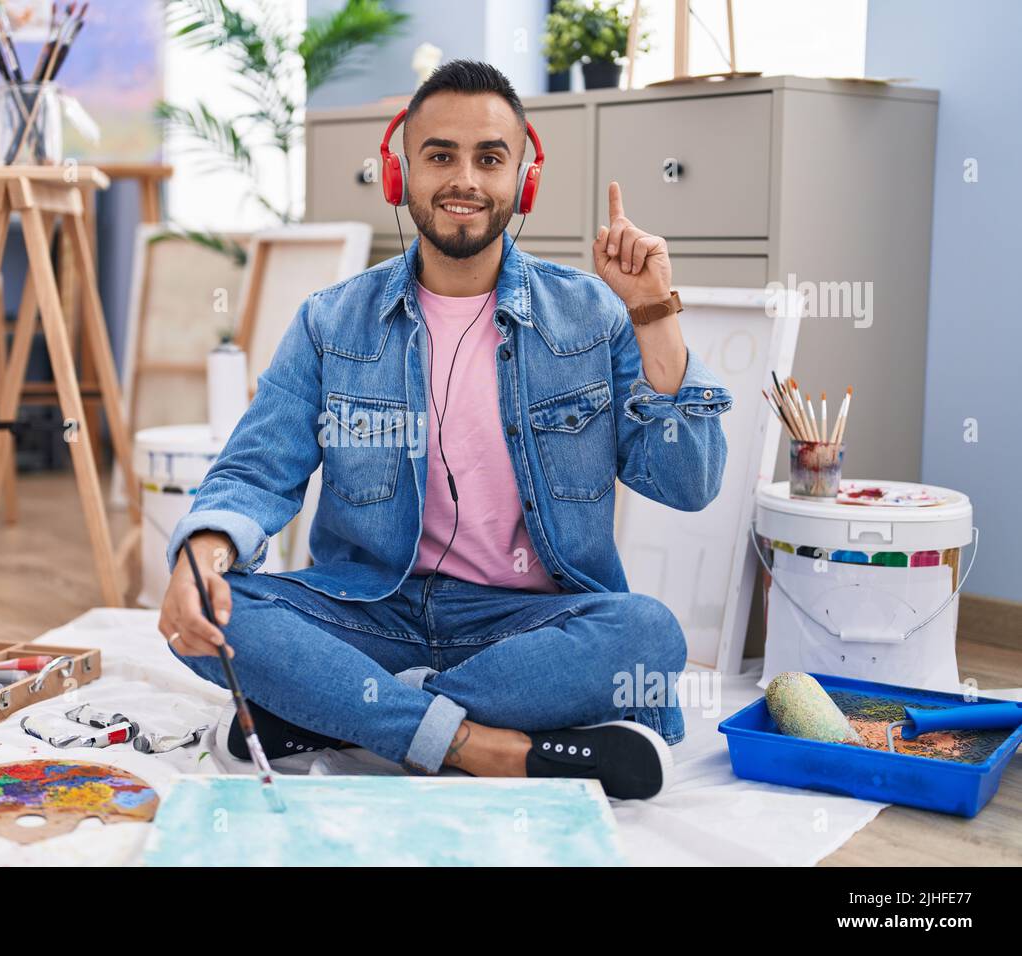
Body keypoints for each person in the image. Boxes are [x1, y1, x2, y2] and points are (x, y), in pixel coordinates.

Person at [158, 60, 732, 799]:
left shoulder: (591, 316)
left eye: (489, 158)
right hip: (370, 610)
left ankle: (343, 711)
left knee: (649, 636)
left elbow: (689, 483)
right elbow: (256, 470)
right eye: (440, 155)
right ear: (401, 176)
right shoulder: (331, 321)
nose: (465, 178)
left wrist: (655, 311)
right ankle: (483, 746)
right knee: (201, 606)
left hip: (527, 624)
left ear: (522, 182)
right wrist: (204, 549)